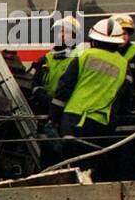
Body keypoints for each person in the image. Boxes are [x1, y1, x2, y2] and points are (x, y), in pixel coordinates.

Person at [53, 18, 130, 178]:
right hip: (102, 125)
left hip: (74, 121)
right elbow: (122, 97)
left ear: (92, 40)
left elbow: (64, 88)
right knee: (93, 170)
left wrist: (53, 117)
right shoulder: (124, 65)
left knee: (70, 170)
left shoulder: (84, 56)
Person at [29, 16, 80, 114]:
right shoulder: (46, 58)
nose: (62, 35)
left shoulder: (78, 59)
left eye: (67, 32)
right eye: (60, 31)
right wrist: (40, 94)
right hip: (44, 108)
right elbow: (36, 82)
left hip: (65, 111)